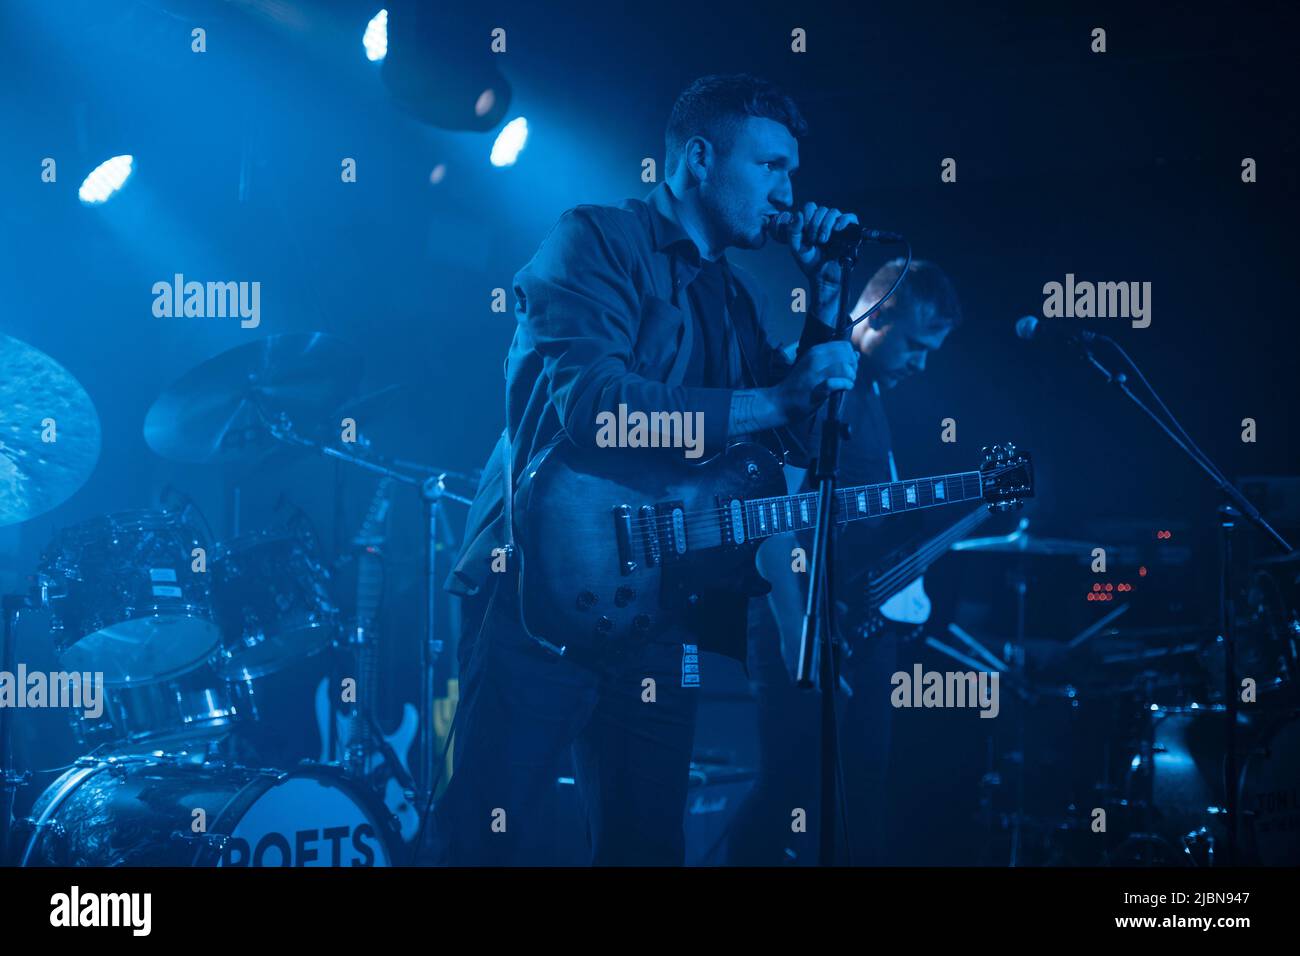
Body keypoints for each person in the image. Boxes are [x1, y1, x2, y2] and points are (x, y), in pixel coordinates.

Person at [432, 73, 865, 865]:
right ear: (699, 158)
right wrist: (774, 401)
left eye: (792, 173)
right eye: (772, 167)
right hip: (540, 592)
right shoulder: (593, 241)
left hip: (662, 607)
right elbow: (600, 409)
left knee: (647, 849)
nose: (789, 192)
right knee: (484, 841)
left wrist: (823, 302)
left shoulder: (733, 297)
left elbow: (787, 444)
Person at [727, 257, 963, 866]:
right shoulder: (823, 385)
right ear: (877, 316)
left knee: (855, 793)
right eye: (915, 343)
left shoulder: (871, 395)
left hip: (849, 625)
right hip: (804, 623)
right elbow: (769, 513)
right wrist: (793, 630)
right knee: (792, 789)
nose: (922, 362)